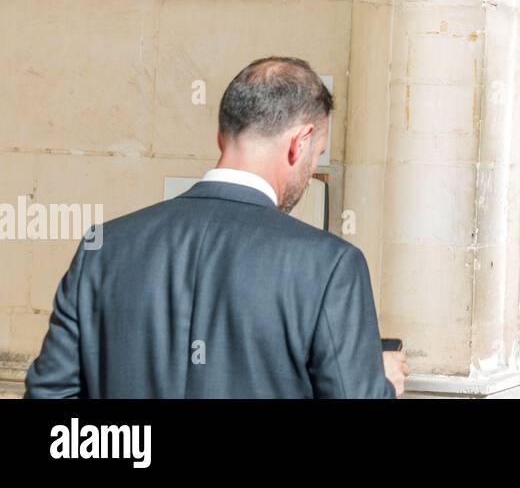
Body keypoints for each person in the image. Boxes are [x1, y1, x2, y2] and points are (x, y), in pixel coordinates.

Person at [26, 57, 409, 398]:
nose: (310, 172)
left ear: (220, 137)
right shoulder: (330, 265)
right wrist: (382, 384)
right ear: (299, 143)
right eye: (316, 156)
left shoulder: (104, 247)